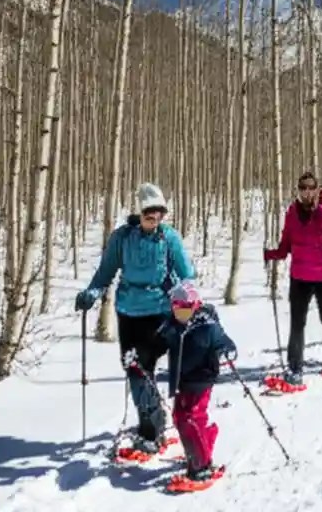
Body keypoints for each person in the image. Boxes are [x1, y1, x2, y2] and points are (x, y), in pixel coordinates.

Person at [75, 182, 194, 454]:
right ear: (139, 214)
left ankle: (152, 432)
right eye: (149, 216)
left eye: (159, 216)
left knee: (145, 366)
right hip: (128, 312)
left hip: (161, 312)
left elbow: (188, 273)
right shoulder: (122, 238)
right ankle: (152, 423)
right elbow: (105, 273)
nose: (154, 221)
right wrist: (91, 293)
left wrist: (180, 289)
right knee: (135, 370)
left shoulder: (169, 238)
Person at [263, 171, 322, 385]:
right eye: (303, 188)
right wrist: (272, 254)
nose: (307, 192)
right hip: (300, 276)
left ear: (318, 189)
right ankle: (295, 368)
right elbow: (286, 245)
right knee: (297, 322)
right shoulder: (292, 212)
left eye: (311, 187)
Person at [158, 280, 237, 484]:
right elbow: (158, 341)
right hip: (181, 381)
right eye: (175, 308)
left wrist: (226, 350)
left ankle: (201, 466)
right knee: (179, 417)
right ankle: (202, 444)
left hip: (202, 379)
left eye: (184, 309)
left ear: (195, 306)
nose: (179, 314)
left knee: (190, 418)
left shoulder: (208, 327)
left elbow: (226, 342)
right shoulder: (172, 325)